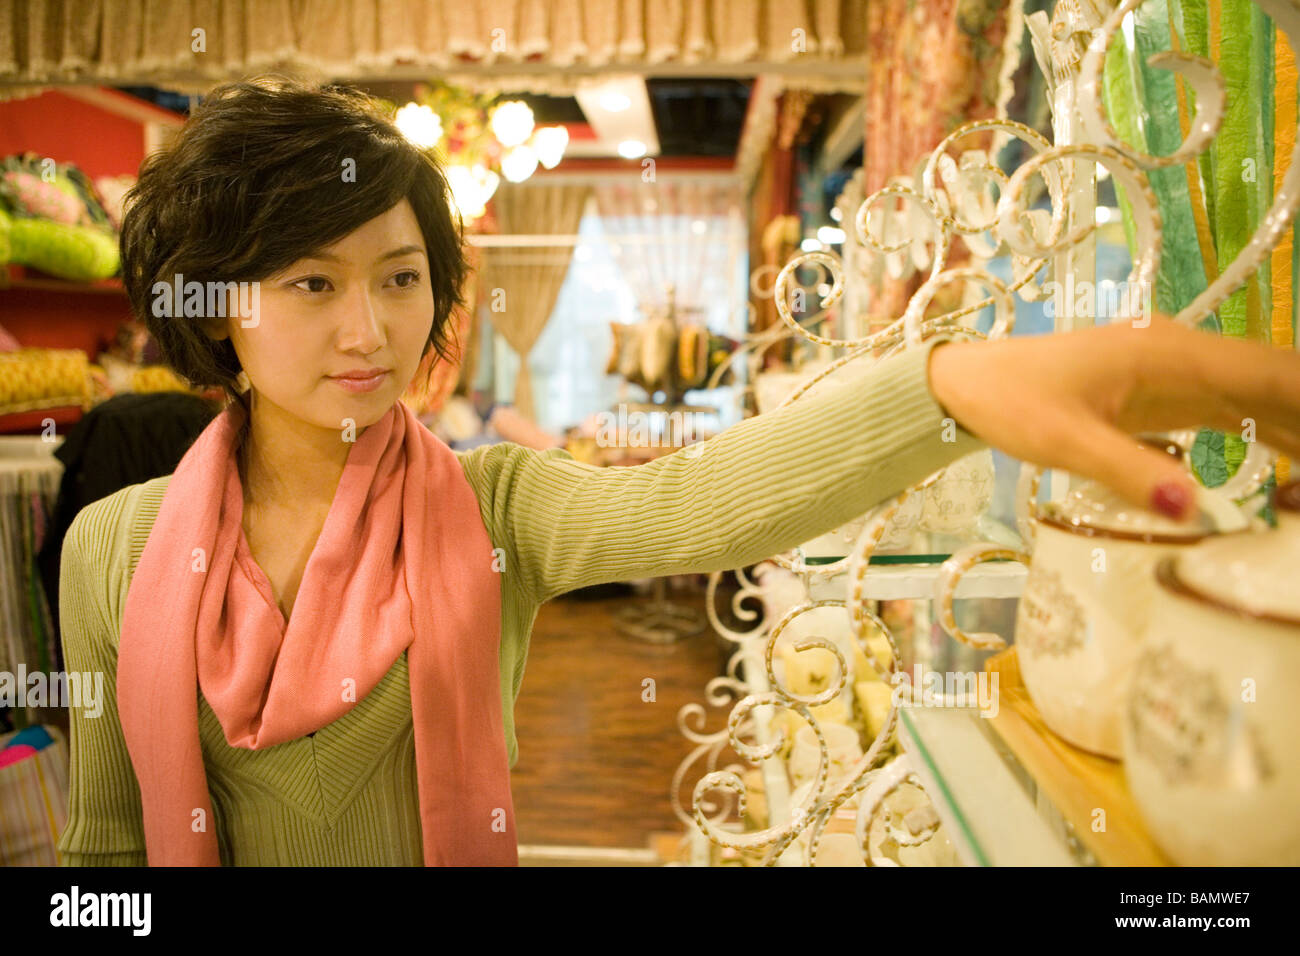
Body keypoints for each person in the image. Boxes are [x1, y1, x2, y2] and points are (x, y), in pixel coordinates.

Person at [56, 76, 1300, 867]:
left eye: (397, 275)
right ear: (218, 310)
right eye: (311, 283)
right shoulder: (112, 549)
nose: (371, 329)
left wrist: (952, 384)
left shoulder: (493, 508)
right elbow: (105, 849)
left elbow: (708, 497)